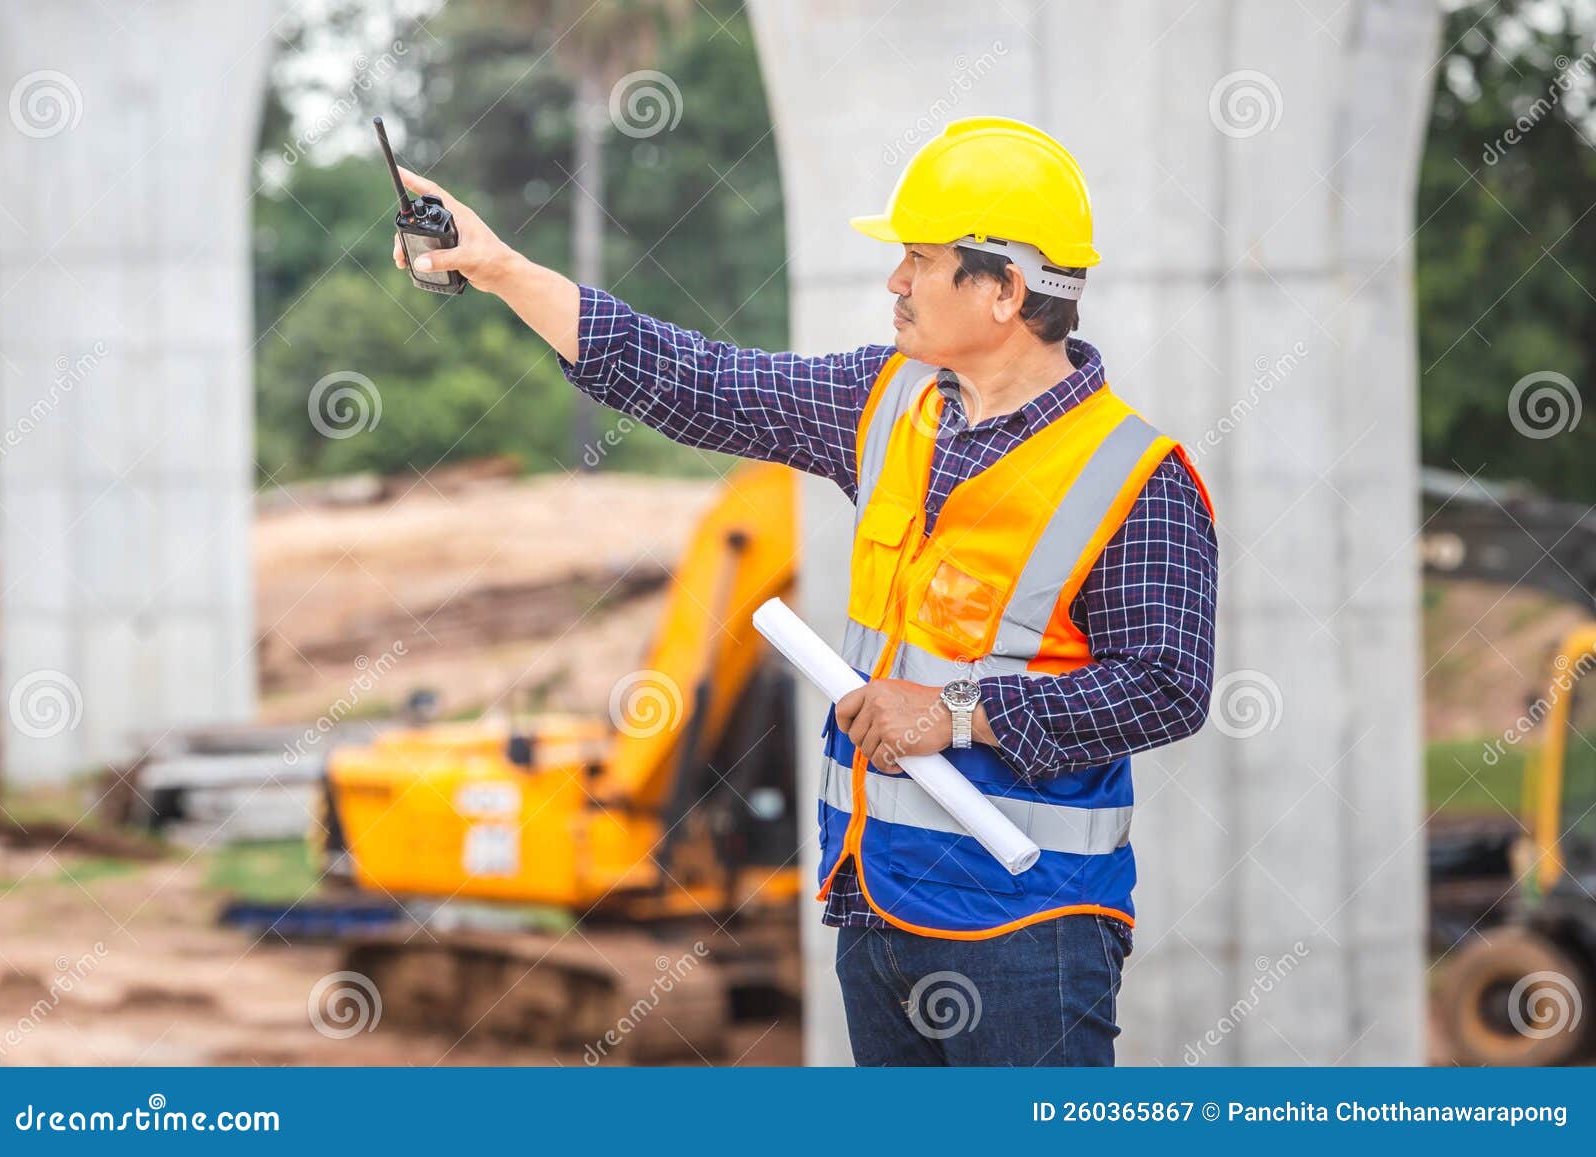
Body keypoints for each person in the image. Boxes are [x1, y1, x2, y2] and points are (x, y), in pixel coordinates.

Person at [392, 115, 1218, 1066]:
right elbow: (695, 381)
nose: (895, 281)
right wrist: (499, 267)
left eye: (920, 258)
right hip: (876, 904)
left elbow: (1167, 686)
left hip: (1029, 925)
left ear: (1004, 290)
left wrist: (955, 715)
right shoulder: (887, 403)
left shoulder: (1132, 476)